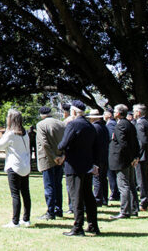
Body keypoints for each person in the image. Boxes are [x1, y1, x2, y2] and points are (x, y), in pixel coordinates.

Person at [57, 101, 100, 236]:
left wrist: (59, 148)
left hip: (74, 165)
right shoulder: (90, 126)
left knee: (76, 197)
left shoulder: (73, 124)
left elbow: (63, 144)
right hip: (87, 165)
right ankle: (93, 225)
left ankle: (78, 227)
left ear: (74, 112)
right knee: (88, 196)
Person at [0, 109, 32, 228]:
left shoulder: (10, 134)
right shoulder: (24, 133)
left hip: (14, 166)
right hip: (25, 166)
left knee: (15, 194)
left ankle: (15, 221)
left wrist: (6, 131)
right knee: (25, 193)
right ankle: (26, 219)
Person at [108, 104, 140, 219]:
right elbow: (135, 142)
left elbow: (123, 144)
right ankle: (134, 208)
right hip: (128, 159)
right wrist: (135, 157)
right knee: (130, 184)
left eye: (115, 111)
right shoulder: (129, 124)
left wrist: (131, 158)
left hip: (122, 159)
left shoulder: (120, 125)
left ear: (118, 113)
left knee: (124, 185)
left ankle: (125, 211)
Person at [36, 106, 65, 220]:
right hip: (60, 158)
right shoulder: (61, 124)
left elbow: (44, 143)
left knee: (49, 185)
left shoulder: (41, 125)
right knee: (58, 184)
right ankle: (59, 209)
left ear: (41, 115)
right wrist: (62, 156)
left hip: (47, 159)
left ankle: (50, 211)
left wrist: (53, 157)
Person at [133, 104, 148, 211]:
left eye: (134, 111)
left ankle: (144, 202)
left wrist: (137, 155)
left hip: (142, 156)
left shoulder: (140, 123)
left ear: (139, 112)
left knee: (141, 180)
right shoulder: (147, 122)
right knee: (145, 179)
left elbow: (142, 141)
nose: (133, 113)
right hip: (147, 155)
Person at [88, 109, 110, 206]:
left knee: (97, 178)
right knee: (103, 178)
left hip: (97, 156)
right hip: (105, 155)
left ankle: (97, 199)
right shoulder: (104, 127)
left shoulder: (94, 127)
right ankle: (104, 198)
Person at [104, 106, 120, 202]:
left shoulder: (110, 125)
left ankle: (114, 193)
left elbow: (110, 138)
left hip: (111, 152)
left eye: (105, 113)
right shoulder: (112, 123)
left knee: (111, 174)